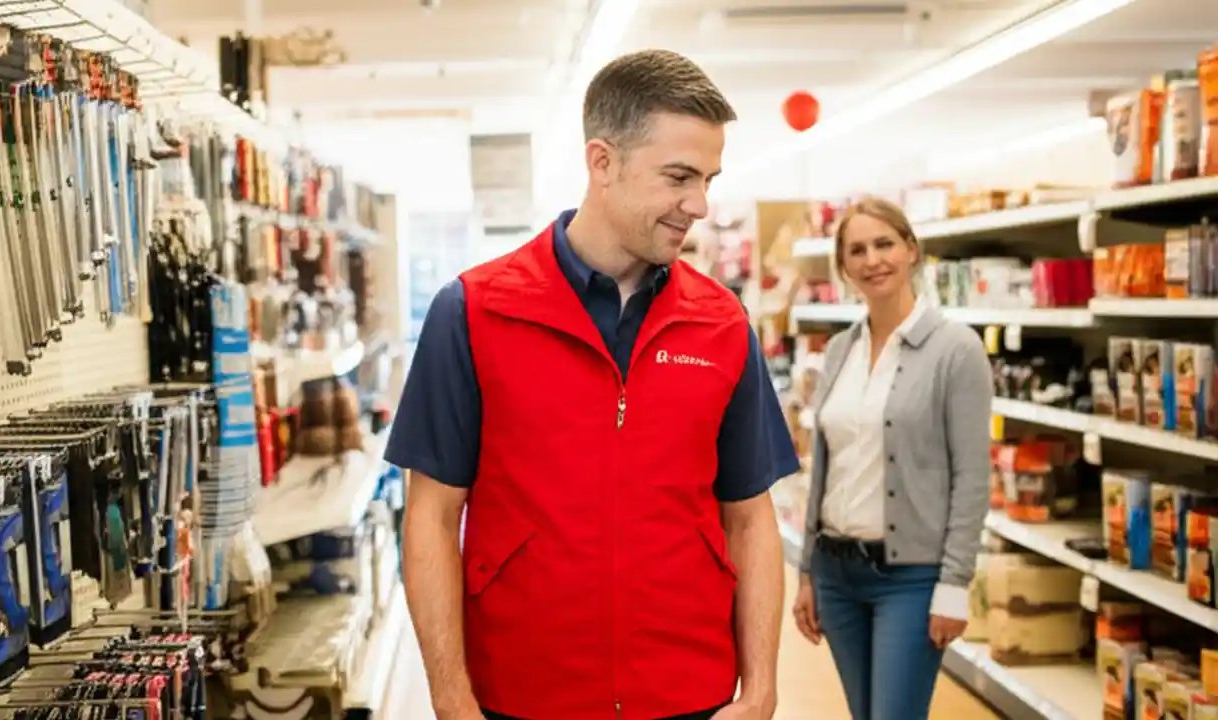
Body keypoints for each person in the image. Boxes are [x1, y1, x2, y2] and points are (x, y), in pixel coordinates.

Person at [386, 49, 799, 720]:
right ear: (602, 162)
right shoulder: (474, 312)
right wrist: (451, 698)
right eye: (679, 177)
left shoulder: (720, 323)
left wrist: (761, 691)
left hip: (686, 693)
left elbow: (750, 518)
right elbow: (432, 514)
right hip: (522, 693)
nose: (699, 204)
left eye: (708, 179)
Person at [791, 197, 992, 720]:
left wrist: (954, 584)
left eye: (884, 243)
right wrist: (807, 573)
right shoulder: (840, 350)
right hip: (835, 573)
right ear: (843, 267)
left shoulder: (956, 350)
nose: (872, 259)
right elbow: (825, 471)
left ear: (911, 250)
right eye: (856, 250)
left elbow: (972, 477)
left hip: (909, 577)